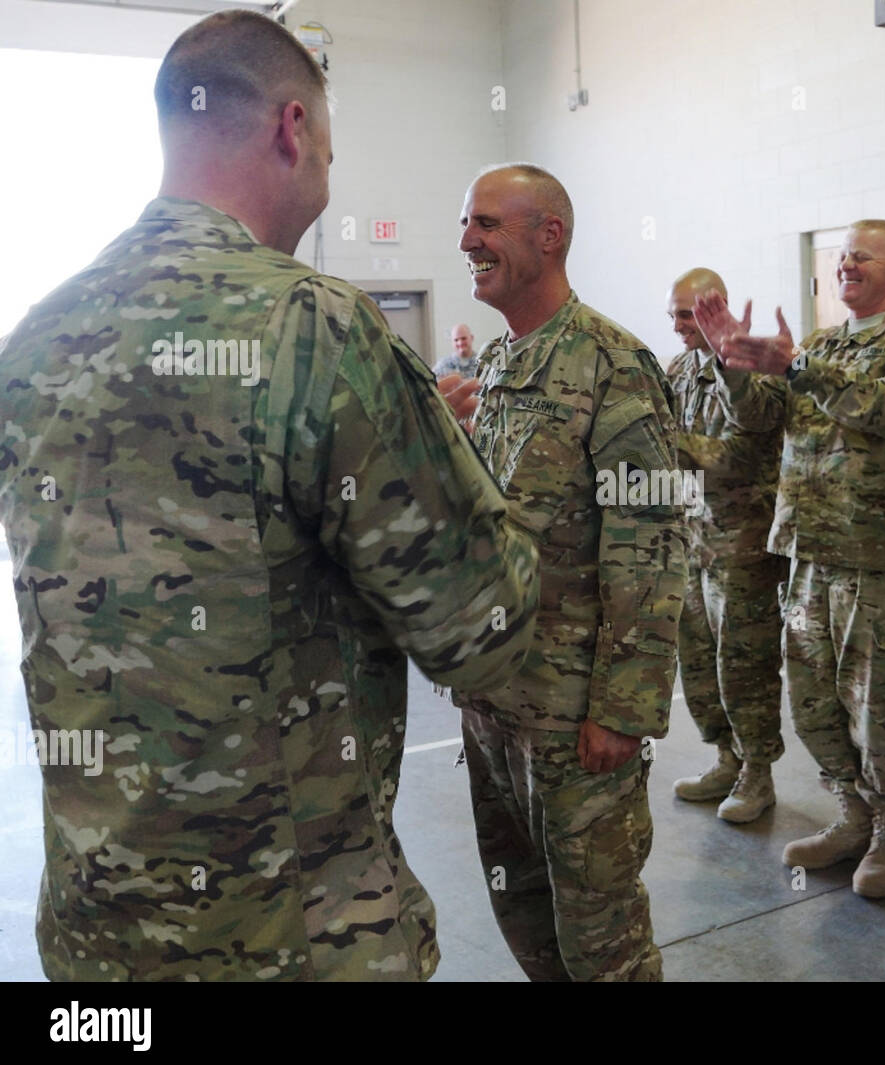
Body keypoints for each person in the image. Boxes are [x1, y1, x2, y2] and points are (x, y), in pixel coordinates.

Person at [0, 10, 539, 982]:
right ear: (292, 130)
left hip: (95, 940)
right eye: (328, 152)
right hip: (292, 934)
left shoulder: (35, 338)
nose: (326, 179)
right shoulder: (317, 326)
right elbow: (480, 624)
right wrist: (442, 449)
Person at [454, 163, 686, 981]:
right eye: (465, 225)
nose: (467, 241)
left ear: (548, 236)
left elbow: (653, 544)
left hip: (573, 715)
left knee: (602, 939)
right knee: (522, 907)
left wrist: (624, 708)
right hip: (493, 701)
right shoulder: (497, 363)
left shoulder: (612, 363)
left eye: (486, 224)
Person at [694, 219, 885, 899]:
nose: (845, 266)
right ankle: (850, 812)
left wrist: (797, 367)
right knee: (813, 701)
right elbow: (762, 418)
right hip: (810, 554)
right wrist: (733, 364)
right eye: (842, 257)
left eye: (861, 257)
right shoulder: (819, 343)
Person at [665, 268, 784, 823]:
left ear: (716, 311)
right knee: (697, 658)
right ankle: (724, 756)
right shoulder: (679, 369)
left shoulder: (749, 371)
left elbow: (738, 457)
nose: (678, 327)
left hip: (743, 544)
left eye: (687, 316)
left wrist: (667, 443)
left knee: (744, 662)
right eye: (672, 315)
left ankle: (757, 771)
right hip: (691, 539)